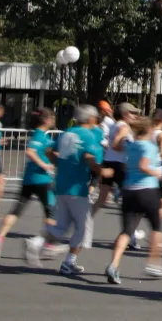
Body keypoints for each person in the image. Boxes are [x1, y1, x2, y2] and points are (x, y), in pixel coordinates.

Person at [40, 105, 106, 276]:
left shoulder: (66, 133)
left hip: (61, 184)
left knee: (62, 225)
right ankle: (69, 260)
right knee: (84, 227)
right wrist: (101, 171)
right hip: (77, 187)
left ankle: (38, 242)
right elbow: (90, 158)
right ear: (90, 118)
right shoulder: (89, 135)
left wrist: (58, 162)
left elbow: (48, 150)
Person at [104, 114, 162, 285]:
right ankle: (154, 264)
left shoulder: (130, 145)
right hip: (146, 190)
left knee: (126, 230)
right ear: (149, 129)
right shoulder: (149, 147)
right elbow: (144, 165)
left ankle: (113, 264)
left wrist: (123, 132)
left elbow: (117, 144)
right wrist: (157, 173)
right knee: (157, 227)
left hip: (128, 191)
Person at [0, 108, 56, 262]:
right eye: (51, 117)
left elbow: (47, 151)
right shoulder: (39, 135)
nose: (53, 120)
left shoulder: (42, 136)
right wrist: (44, 166)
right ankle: (45, 245)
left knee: (16, 211)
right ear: (45, 120)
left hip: (29, 179)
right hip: (41, 180)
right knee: (51, 213)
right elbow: (30, 151)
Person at [92, 103, 133, 217]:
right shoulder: (124, 127)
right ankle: (131, 231)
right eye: (132, 113)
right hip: (119, 165)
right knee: (129, 200)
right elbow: (116, 144)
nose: (134, 116)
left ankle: (84, 221)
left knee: (102, 199)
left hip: (108, 162)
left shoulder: (114, 125)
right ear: (125, 114)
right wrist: (126, 148)